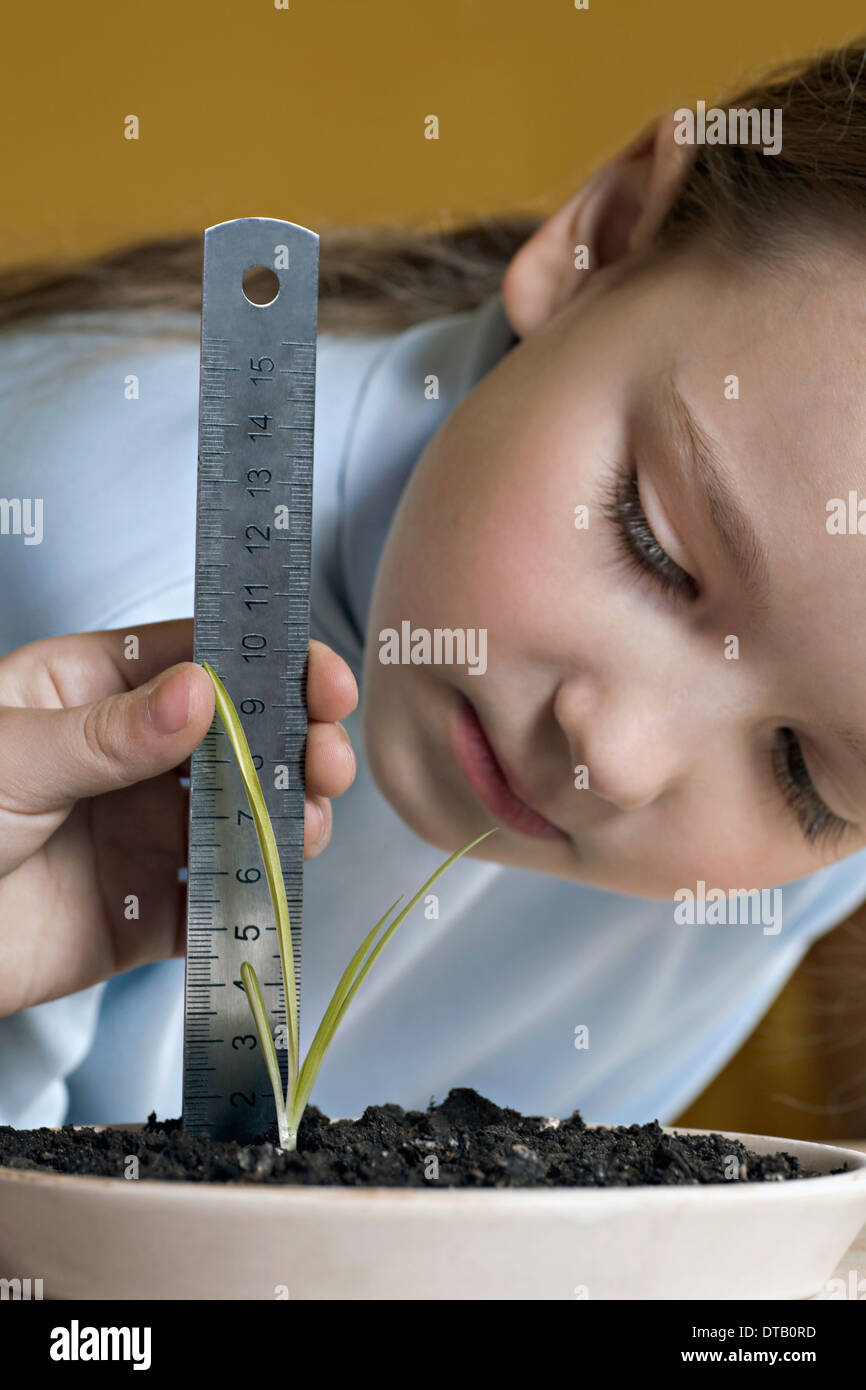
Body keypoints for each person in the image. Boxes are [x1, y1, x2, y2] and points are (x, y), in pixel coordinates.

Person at [3, 39, 866, 1130]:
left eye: (798, 773)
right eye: (652, 546)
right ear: (601, 240)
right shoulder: (88, 575)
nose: (619, 757)